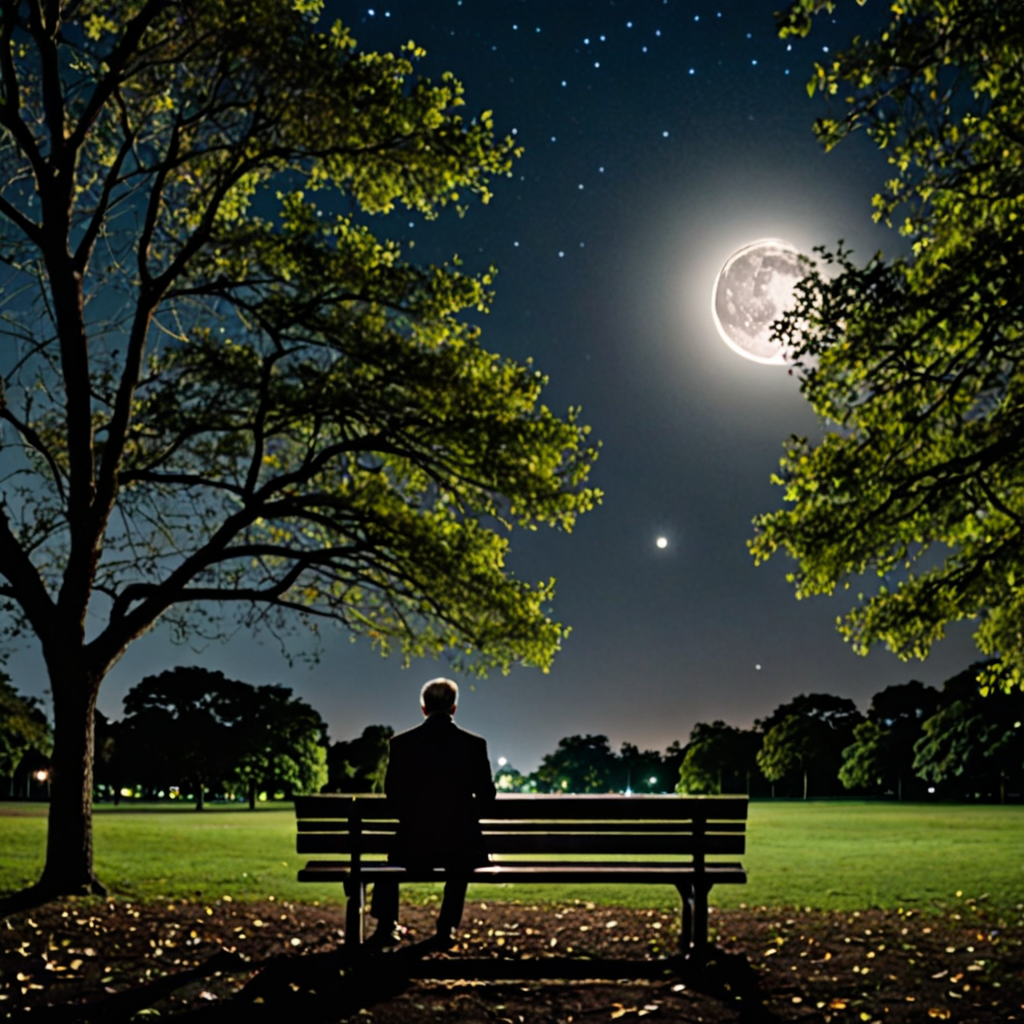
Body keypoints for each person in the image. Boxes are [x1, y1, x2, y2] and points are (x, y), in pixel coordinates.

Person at [368, 677, 496, 949]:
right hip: (459, 846)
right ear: (454, 709)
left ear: (424, 709)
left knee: (389, 863)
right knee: (461, 861)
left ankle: (386, 925)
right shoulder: (474, 745)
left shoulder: (401, 744)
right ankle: (446, 927)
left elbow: (393, 797)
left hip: (413, 845)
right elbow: (487, 797)